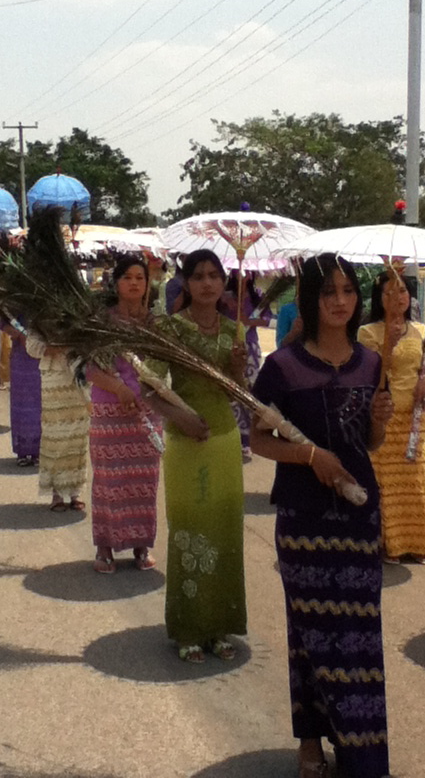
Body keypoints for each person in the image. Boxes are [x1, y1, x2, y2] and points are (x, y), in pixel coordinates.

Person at [250, 253, 393, 778]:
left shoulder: (371, 363)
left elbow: (369, 445)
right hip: (304, 519)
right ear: (309, 299)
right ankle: (310, 738)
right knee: (310, 631)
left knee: (359, 636)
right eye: (328, 291)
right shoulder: (282, 367)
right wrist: (310, 456)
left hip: (359, 515)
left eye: (348, 290)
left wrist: (379, 422)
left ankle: (363, 755)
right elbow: (258, 440)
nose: (340, 301)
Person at [152, 249, 248, 663]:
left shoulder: (234, 329)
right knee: (189, 529)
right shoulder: (169, 329)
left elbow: (237, 393)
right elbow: (148, 388)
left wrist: (239, 369)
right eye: (198, 276)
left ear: (224, 282)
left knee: (224, 531)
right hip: (185, 442)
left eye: (214, 275)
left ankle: (219, 626)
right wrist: (180, 417)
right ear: (186, 283)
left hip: (225, 439)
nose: (207, 283)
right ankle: (189, 628)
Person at [357, 271, 425, 565]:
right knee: (388, 485)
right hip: (385, 417)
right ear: (379, 299)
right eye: (389, 292)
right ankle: (389, 544)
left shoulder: (421, 330)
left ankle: (418, 544)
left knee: (416, 482)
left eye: (402, 290)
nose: (398, 297)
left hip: (415, 418)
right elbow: (370, 373)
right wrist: (388, 345)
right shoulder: (368, 333)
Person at [87, 256, 163, 574]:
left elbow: (163, 366)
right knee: (109, 479)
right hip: (109, 409)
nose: (134, 283)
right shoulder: (101, 321)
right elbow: (89, 368)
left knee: (144, 481)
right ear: (116, 283)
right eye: (127, 277)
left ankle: (141, 545)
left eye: (140, 277)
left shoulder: (156, 324)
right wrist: (118, 388)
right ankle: (104, 547)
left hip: (147, 411)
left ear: (147, 284)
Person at [26, 332, 90, 512]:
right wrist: (58, 346)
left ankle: (76, 491)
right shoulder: (41, 319)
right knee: (55, 435)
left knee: (79, 434)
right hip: (54, 377)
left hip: (79, 373)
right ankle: (57, 493)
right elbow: (32, 347)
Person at [220, 269, 272, 461]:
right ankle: (233, 435)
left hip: (251, 347)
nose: (244, 275)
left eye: (247, 272)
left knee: (250, 391)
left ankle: (248, 439)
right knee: (231, 390)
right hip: (229, 347)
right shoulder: (224, 296)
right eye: (240, 272)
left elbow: (267, 319)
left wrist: (248, 320)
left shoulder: (258, 295)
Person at [1, 317, 42, 466]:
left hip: (43, 352)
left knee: (41, 403)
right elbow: (2, 321)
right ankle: (22, 451)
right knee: (21, 404)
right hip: (20, 355)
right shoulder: (12, 305)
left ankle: (40, 451)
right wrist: (18, 334)